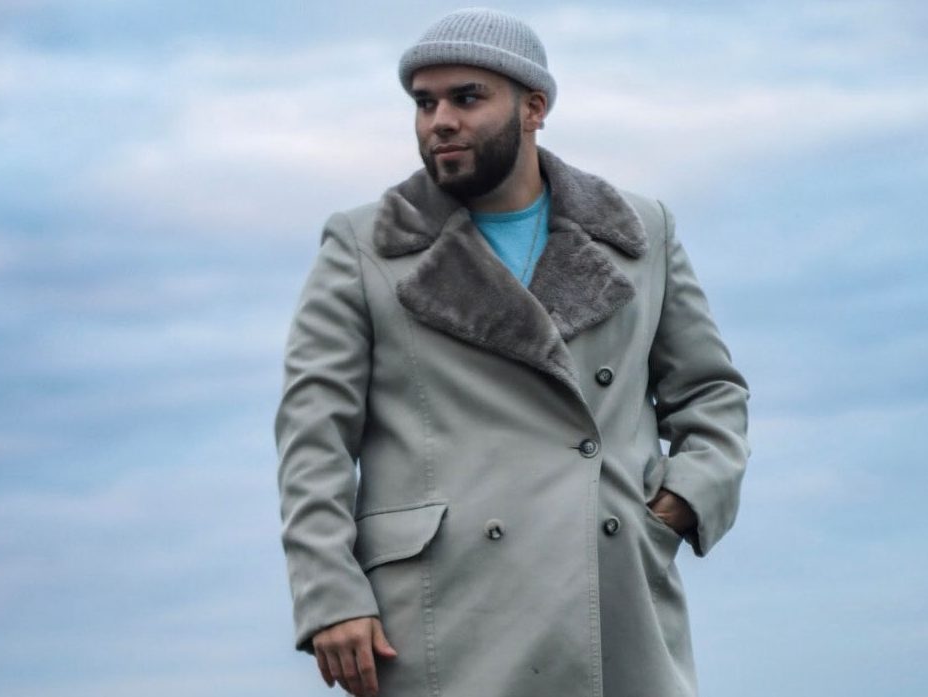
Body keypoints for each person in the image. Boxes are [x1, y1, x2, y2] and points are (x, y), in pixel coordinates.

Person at [276, 8, 749, 697]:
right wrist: (330, 591)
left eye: (466, 98)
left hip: (610, 591)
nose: (440, 119)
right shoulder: (365, 244)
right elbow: (313, 431)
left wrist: (681, 499)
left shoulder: (639, 230)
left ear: (533, 108)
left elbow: (709, 392)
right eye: (424, 102)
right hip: (444, 607)